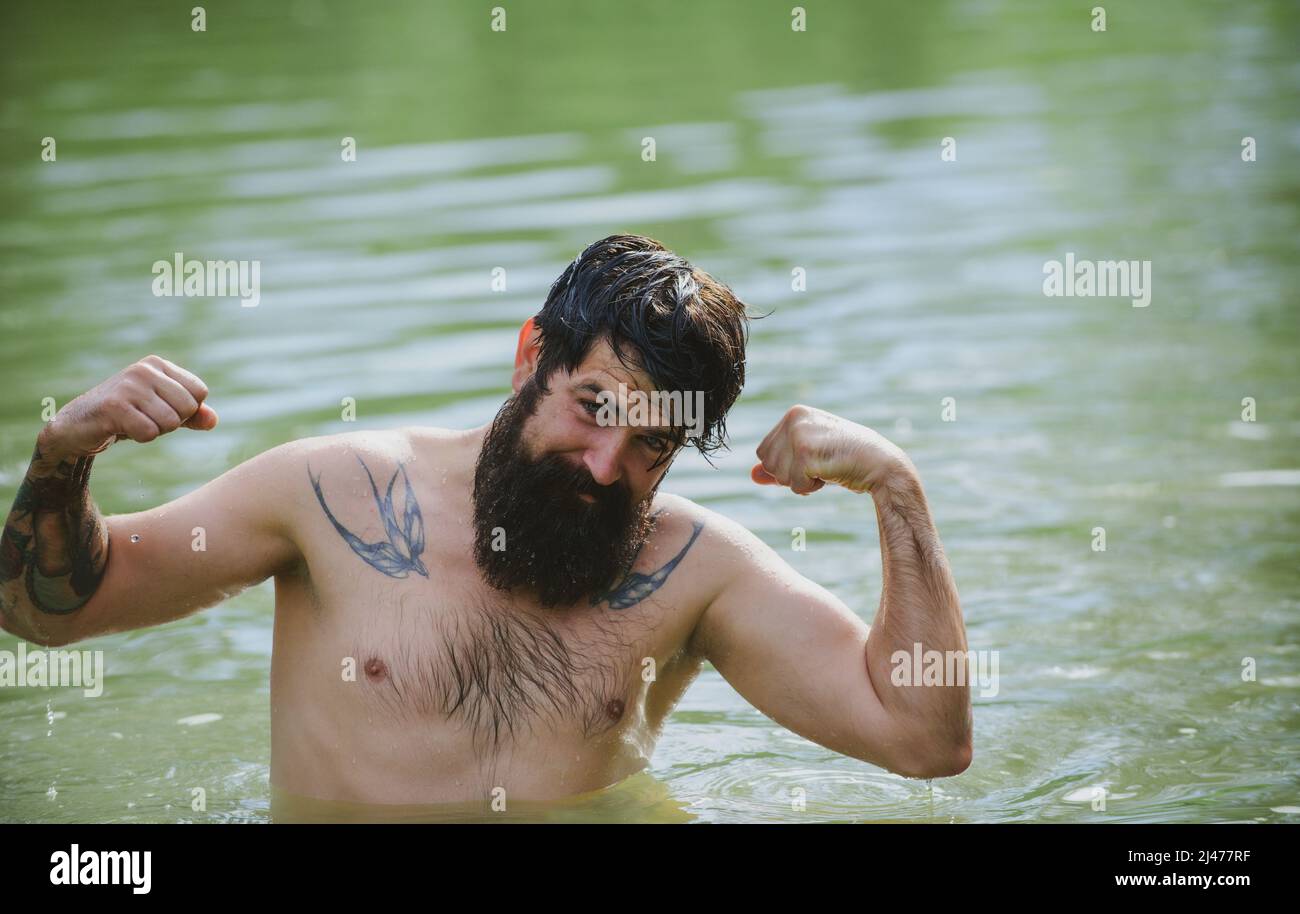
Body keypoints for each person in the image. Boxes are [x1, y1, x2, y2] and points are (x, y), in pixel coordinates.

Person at [0, 234, 972, 807]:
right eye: (594, 407)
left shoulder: (693, 571)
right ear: (528, 357)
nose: (605, 467)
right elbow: (46, 613)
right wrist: (61, 457)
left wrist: (898, 491)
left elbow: (922, 740)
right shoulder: (329, 497)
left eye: (652, 446)